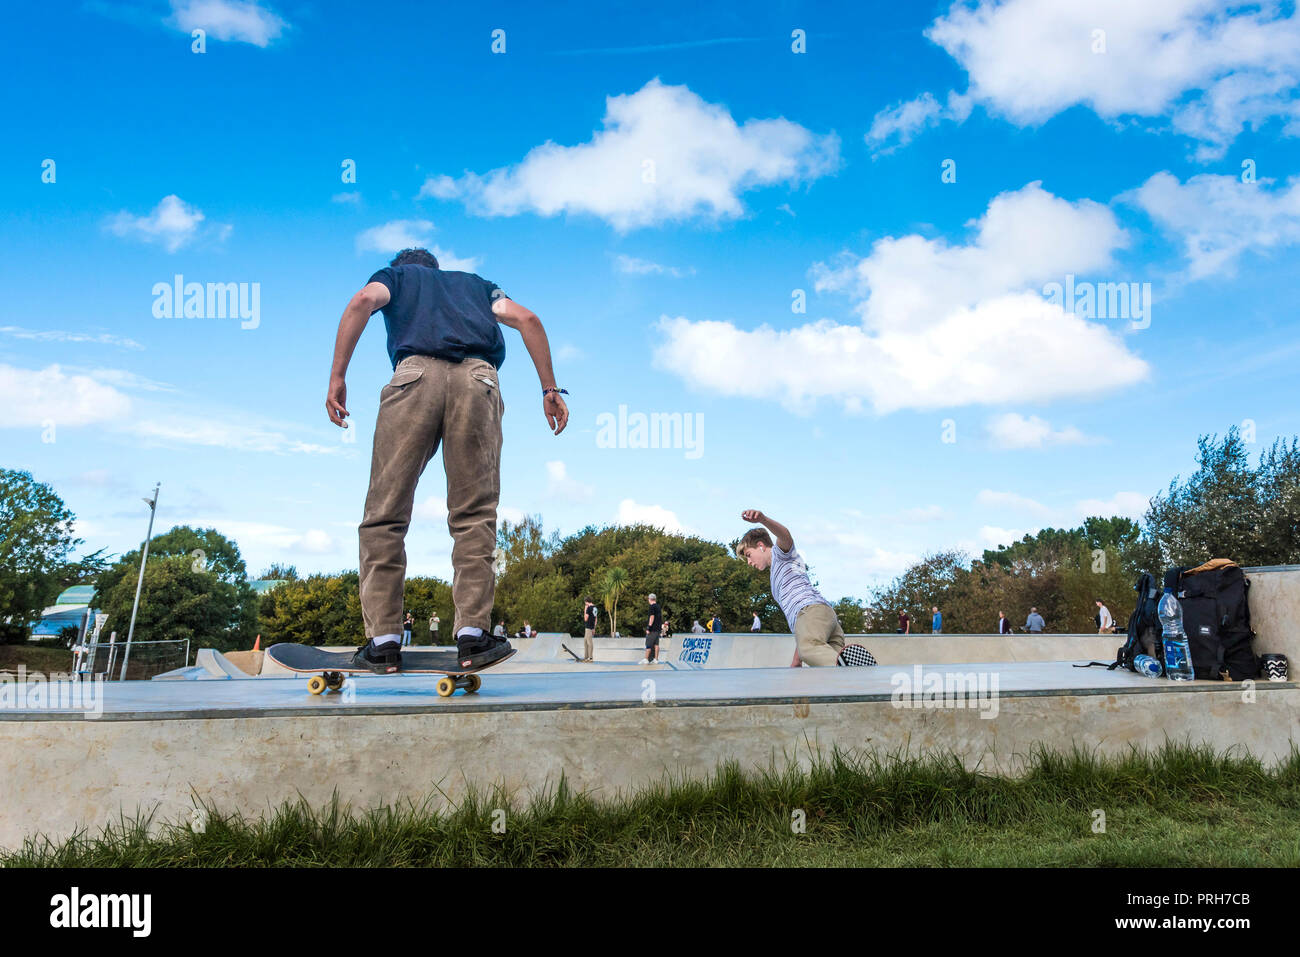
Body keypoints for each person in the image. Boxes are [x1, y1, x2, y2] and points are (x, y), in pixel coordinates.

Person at [327, 246, 569, 673]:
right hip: (478, 380)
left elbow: (363, 302)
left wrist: (337, 377)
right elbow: (528, 320)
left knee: (385, 512)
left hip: (413, 378)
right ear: (437, 270)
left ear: (405, 269)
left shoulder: (398, 279)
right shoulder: (476, 286)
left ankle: (383, 641)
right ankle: (474, 636)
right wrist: (550, 390)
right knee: (474, 513)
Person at [736, 509, 849, 667]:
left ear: (760, 546)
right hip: (822, 617)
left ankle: (857, 674)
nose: (749, 562)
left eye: (748, 555)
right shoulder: (777, 574)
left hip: (812, 612)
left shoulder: (779, 554)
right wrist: (797, 660)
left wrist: (763, 519)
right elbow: (803, 626)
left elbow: (785, 536)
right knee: (830, 672)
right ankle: (857, 678)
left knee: (812, 651)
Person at [642, 594, 662, 664]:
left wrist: (648, 628)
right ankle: (656, 659)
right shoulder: (658, 606)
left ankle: (646, 659)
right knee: (656, 644)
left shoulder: (652, 607)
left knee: (648, 644)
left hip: (652, 629)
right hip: (658, 629)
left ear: (649, 599)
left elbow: (652, 617)